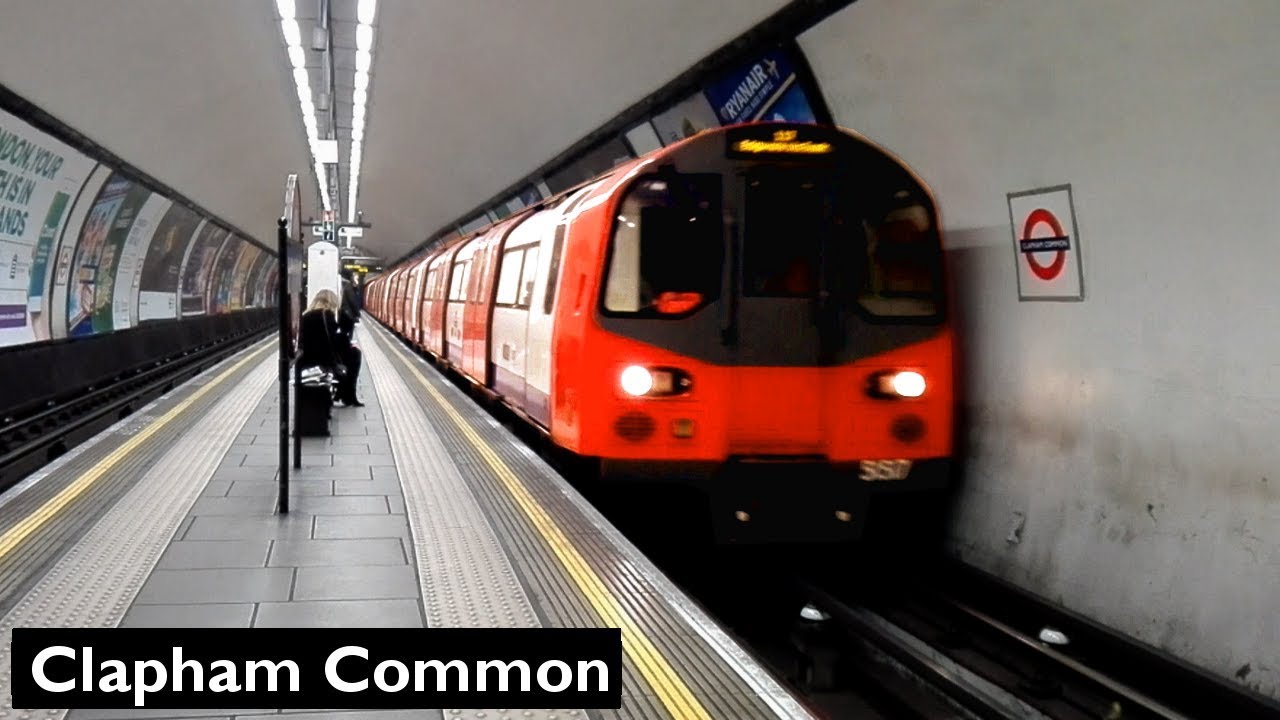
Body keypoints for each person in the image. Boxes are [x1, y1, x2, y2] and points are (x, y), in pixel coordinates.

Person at [334, 270, 365, 407]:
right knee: (355, 356)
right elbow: (353, 301)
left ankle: (344, 394)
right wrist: (357, 314)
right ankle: (347, 395)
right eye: (354, 276)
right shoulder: (348, 288)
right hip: (328, 356)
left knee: (352, 354)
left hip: (324, 354)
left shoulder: (316, 315)